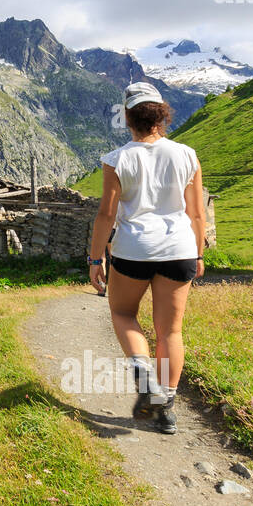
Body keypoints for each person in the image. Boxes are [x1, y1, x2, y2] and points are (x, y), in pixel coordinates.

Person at [88, 82, 206, 434]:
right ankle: (165, 406)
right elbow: (197, 213)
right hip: (180, 249)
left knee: (123, 313)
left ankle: (144, 377)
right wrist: (198, 253)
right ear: (162, 115)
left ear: (128, 118)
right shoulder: (187, 154)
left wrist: (96, 260)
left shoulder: (117, 159)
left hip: (133, 250)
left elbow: (106, 215)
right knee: (170, 329)